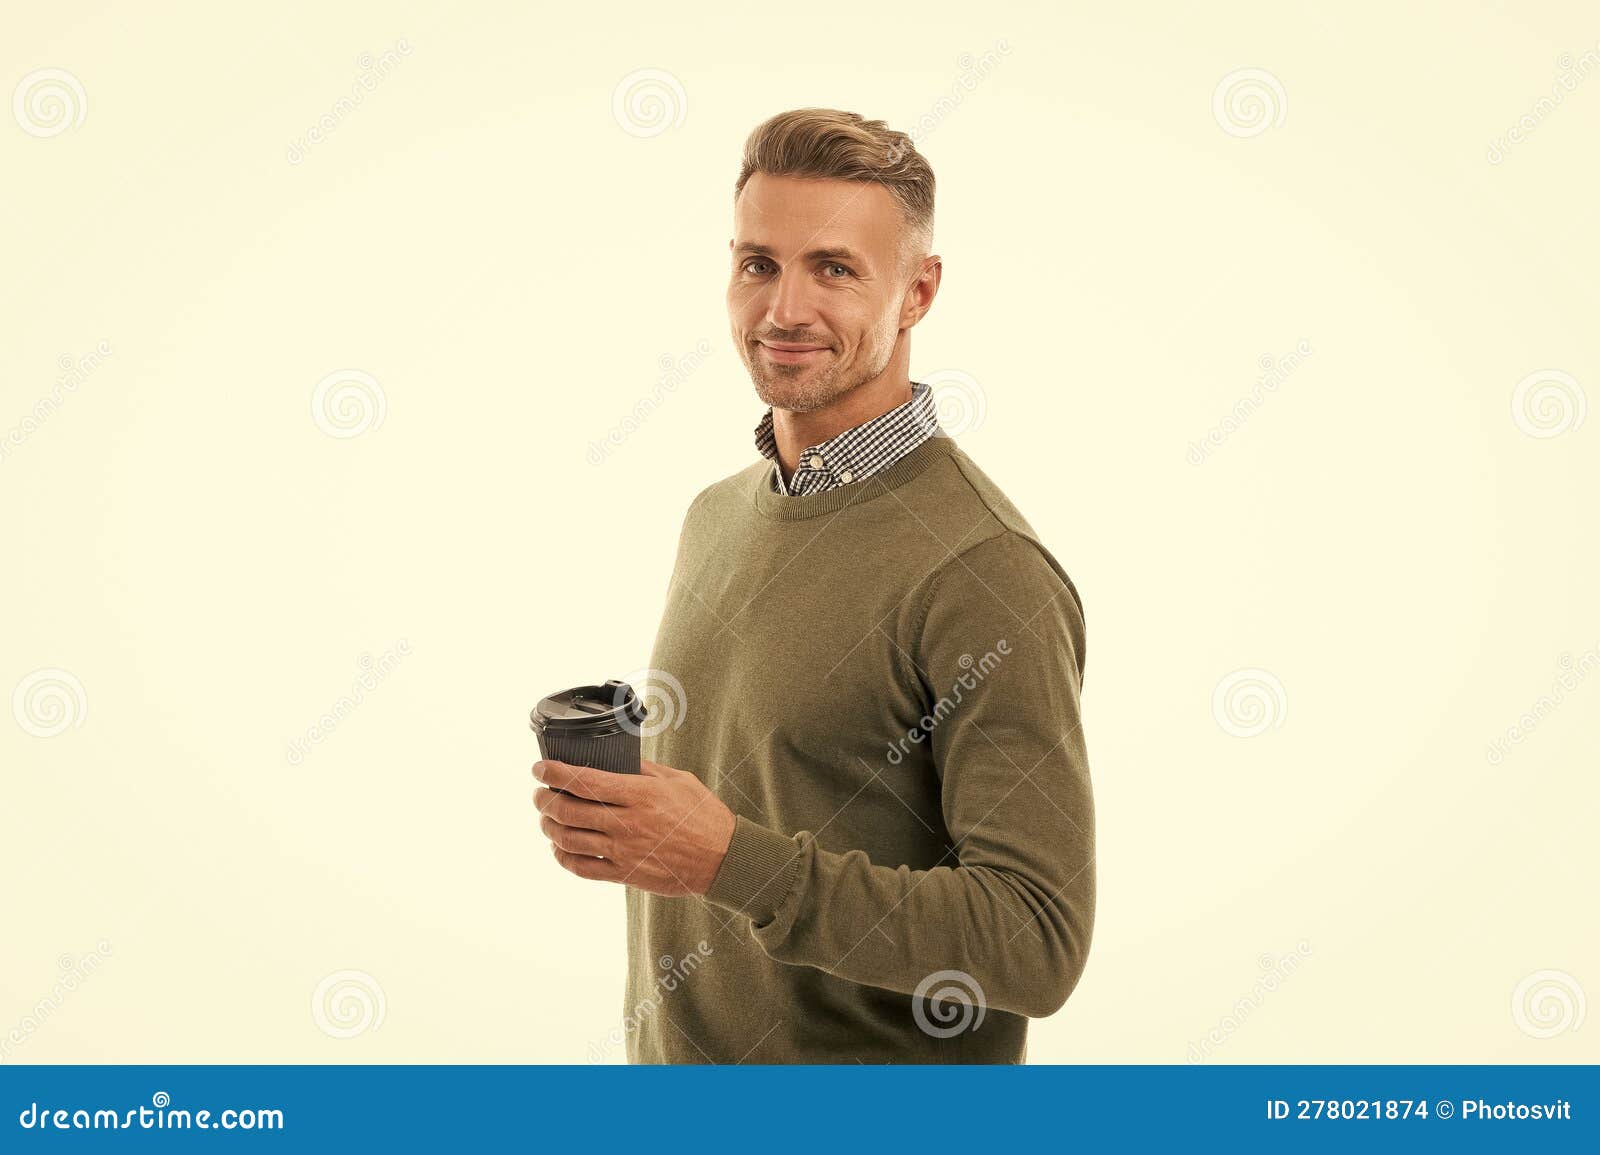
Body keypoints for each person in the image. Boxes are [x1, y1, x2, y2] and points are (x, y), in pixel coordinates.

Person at [533, 107, 1094, 1063]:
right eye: (758, 264)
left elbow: (1037, 940)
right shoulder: (717, 513)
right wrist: (629, 829)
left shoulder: (986, 569)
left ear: (918, 293)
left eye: (834, 268)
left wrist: (725, 858)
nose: (783, 310)